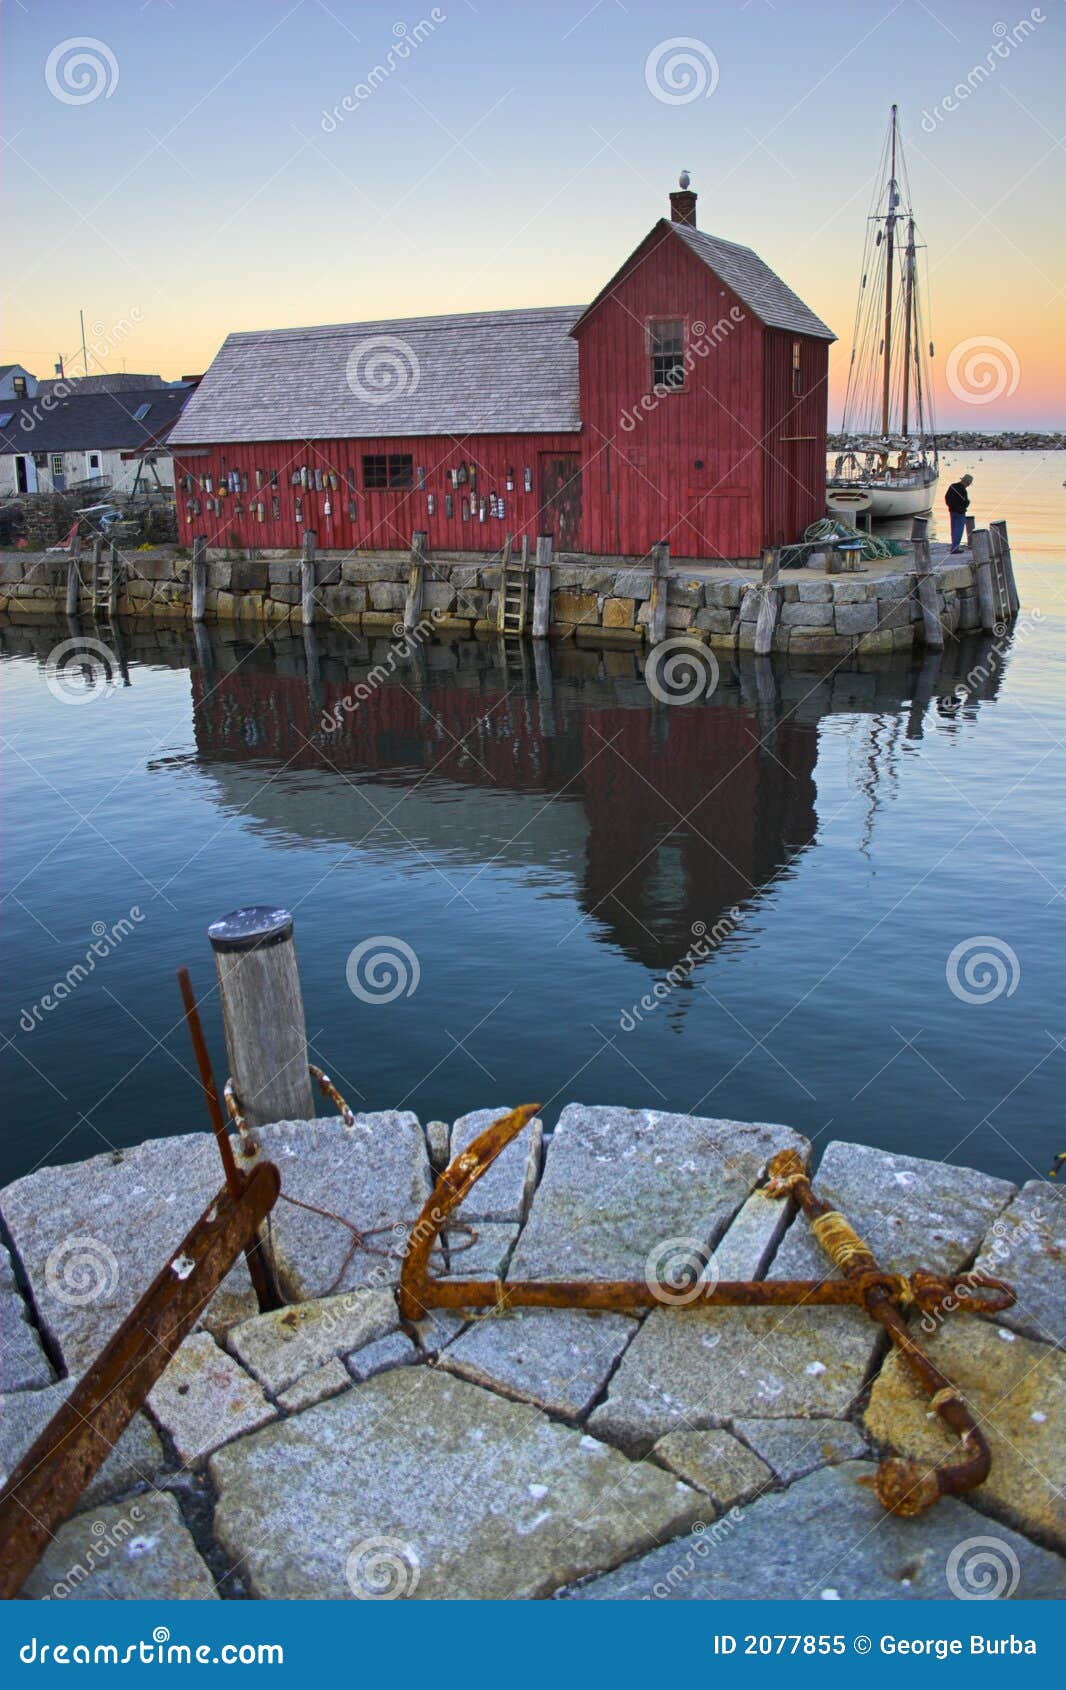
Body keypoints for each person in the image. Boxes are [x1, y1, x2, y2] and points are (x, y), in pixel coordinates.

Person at [945, 473, 973, 552]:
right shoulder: (963, 490)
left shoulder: (953, 486)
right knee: (958, 530)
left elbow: (947, 498)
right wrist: (968, 502)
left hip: (952, 511)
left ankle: (954, 546)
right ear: (966, 482)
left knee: (953, 529)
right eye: (968, 484)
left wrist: (950, 507)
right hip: (960, 513)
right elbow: (965, 503)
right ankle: (955, 548)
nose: (968, 485)